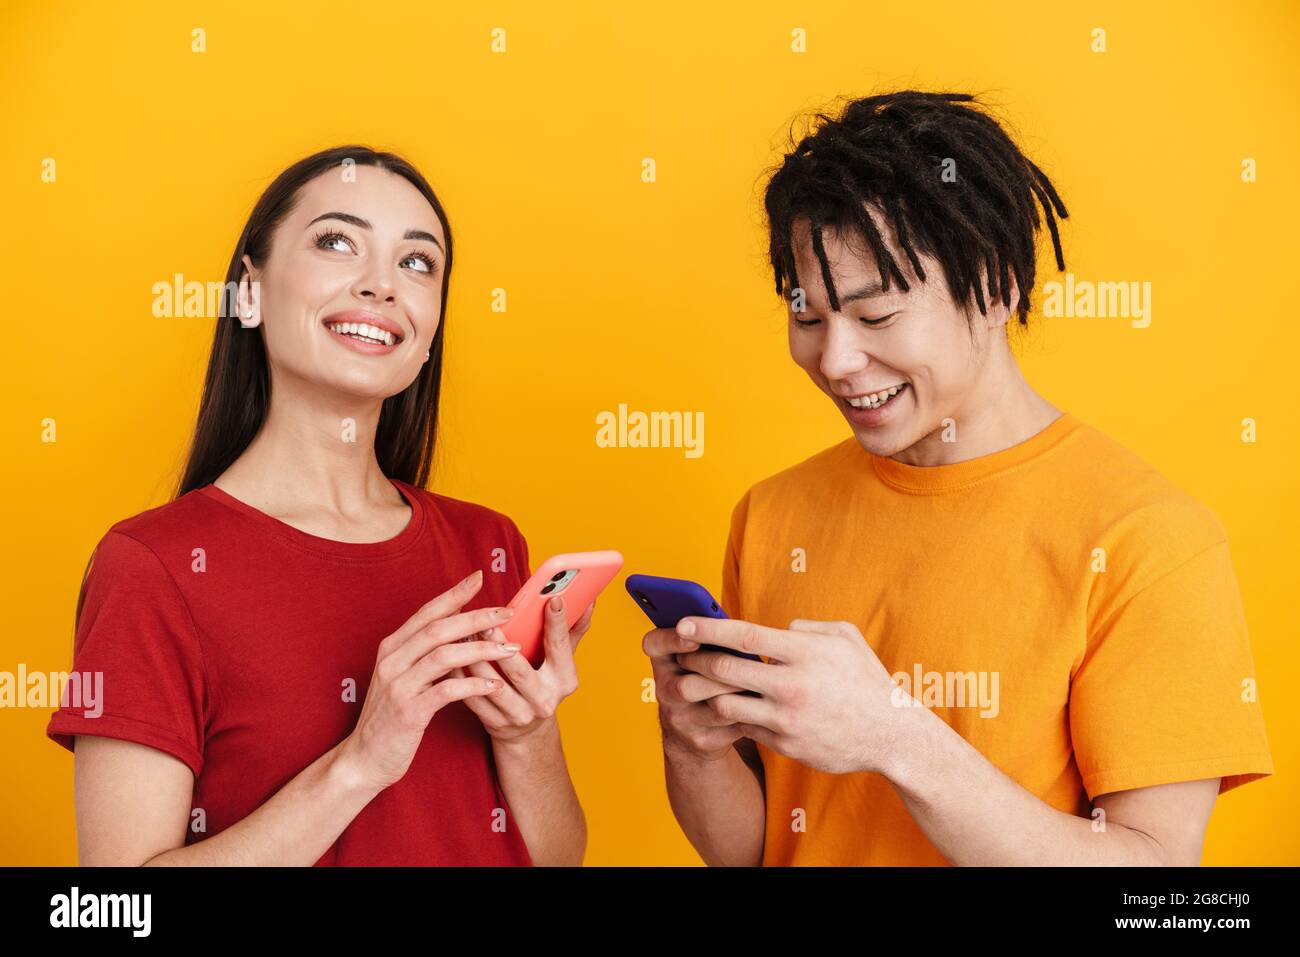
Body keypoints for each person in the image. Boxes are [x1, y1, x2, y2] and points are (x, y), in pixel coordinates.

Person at [644, 92, 1274, 866]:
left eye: (877, 318)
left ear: (1000, 284)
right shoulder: (772, 514)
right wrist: (694, 746)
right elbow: (754, 850)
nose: (835, 361)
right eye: (808, 317)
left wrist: (895, 735)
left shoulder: (1149, 538)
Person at [47, 146, 588, 866]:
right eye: (337, 242)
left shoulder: (486, 544)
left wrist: (528, 735)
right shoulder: (152, 567)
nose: (382, 286)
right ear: (249, 290)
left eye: (417, 263)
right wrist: (361, 761)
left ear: (428, 335)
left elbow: (560, 859)